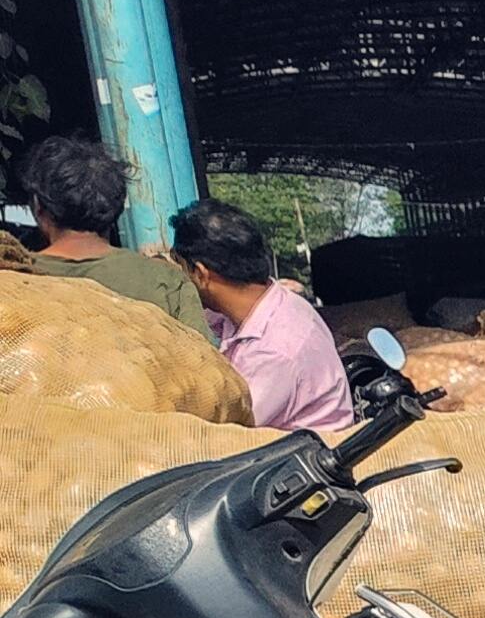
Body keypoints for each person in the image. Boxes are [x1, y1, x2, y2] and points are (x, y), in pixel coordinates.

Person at [169, 198, 353, 436]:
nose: (182, 278)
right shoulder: (268, 305)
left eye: (183, 268)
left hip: (302, 464)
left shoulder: (273, 350)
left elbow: (224, 431)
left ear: (201, 274)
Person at [17, 134, 205, 326]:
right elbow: (202, 355)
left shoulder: (15, 281)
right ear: (118, 206)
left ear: (38, 207)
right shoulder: (167, 281)